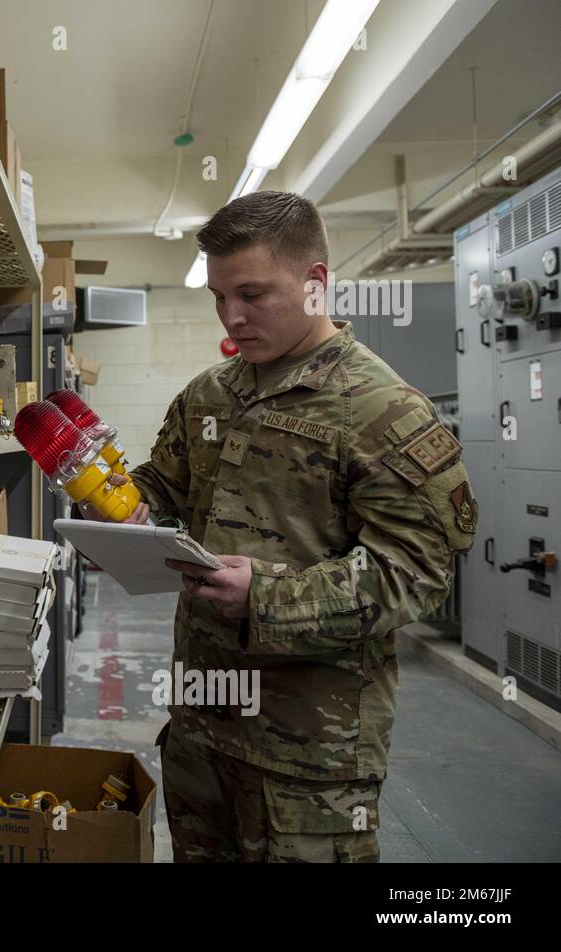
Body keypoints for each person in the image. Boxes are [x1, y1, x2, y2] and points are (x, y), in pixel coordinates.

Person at [104, 190, 477, 862]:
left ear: (315, 284)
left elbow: (416, 575)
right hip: (202, 724)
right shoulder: (210, 396)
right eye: (219, 297)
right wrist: (116, 506)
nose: (232, 316)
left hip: (308, 753)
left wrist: (268, 598)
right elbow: (161, 491)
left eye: (252, 293)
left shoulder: (382, 410)